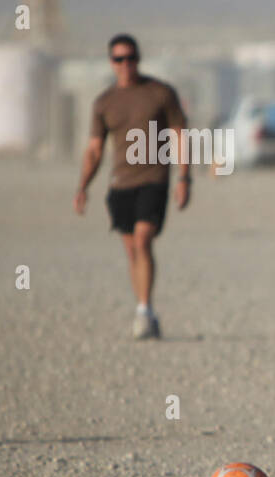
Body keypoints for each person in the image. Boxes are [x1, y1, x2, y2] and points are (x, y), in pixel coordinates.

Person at [73, 34, 190, 339]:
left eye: (131, 58)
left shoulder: (160, 93)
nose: (126, 64)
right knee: (131, 251)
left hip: (154, 179)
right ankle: (145, 306)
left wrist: (184, 177)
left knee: (143, 240)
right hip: (120, 182)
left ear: (138, 58)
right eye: (119, 59)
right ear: (111, 62)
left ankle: (143, 312)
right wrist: (83, 186)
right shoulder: (104, 102)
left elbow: (180, 136)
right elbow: (95, 150)